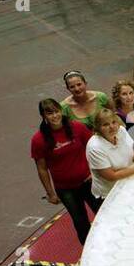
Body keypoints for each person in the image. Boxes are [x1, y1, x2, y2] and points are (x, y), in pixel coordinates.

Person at [31, 98, 99, 245]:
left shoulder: (77, 128)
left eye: (56, 112)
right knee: (80, 222)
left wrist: (97, 173)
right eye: (49, 113)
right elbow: (41, 168)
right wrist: (50, 193)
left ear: (61, 111)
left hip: (89, 181)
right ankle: (90, 251)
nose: (54, 116)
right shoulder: (38, 140)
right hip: (66, 189)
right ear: (43, 116)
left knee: (102, 213)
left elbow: (95, 148)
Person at [87, 108, 134, 202]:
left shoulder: (121, 130)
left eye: (114, 122)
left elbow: (132, 153)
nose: (112, 127)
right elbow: (111, 176)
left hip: (127, 183)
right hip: (109, 194)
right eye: (106, 124)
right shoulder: (95, 147)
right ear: (98, 128)